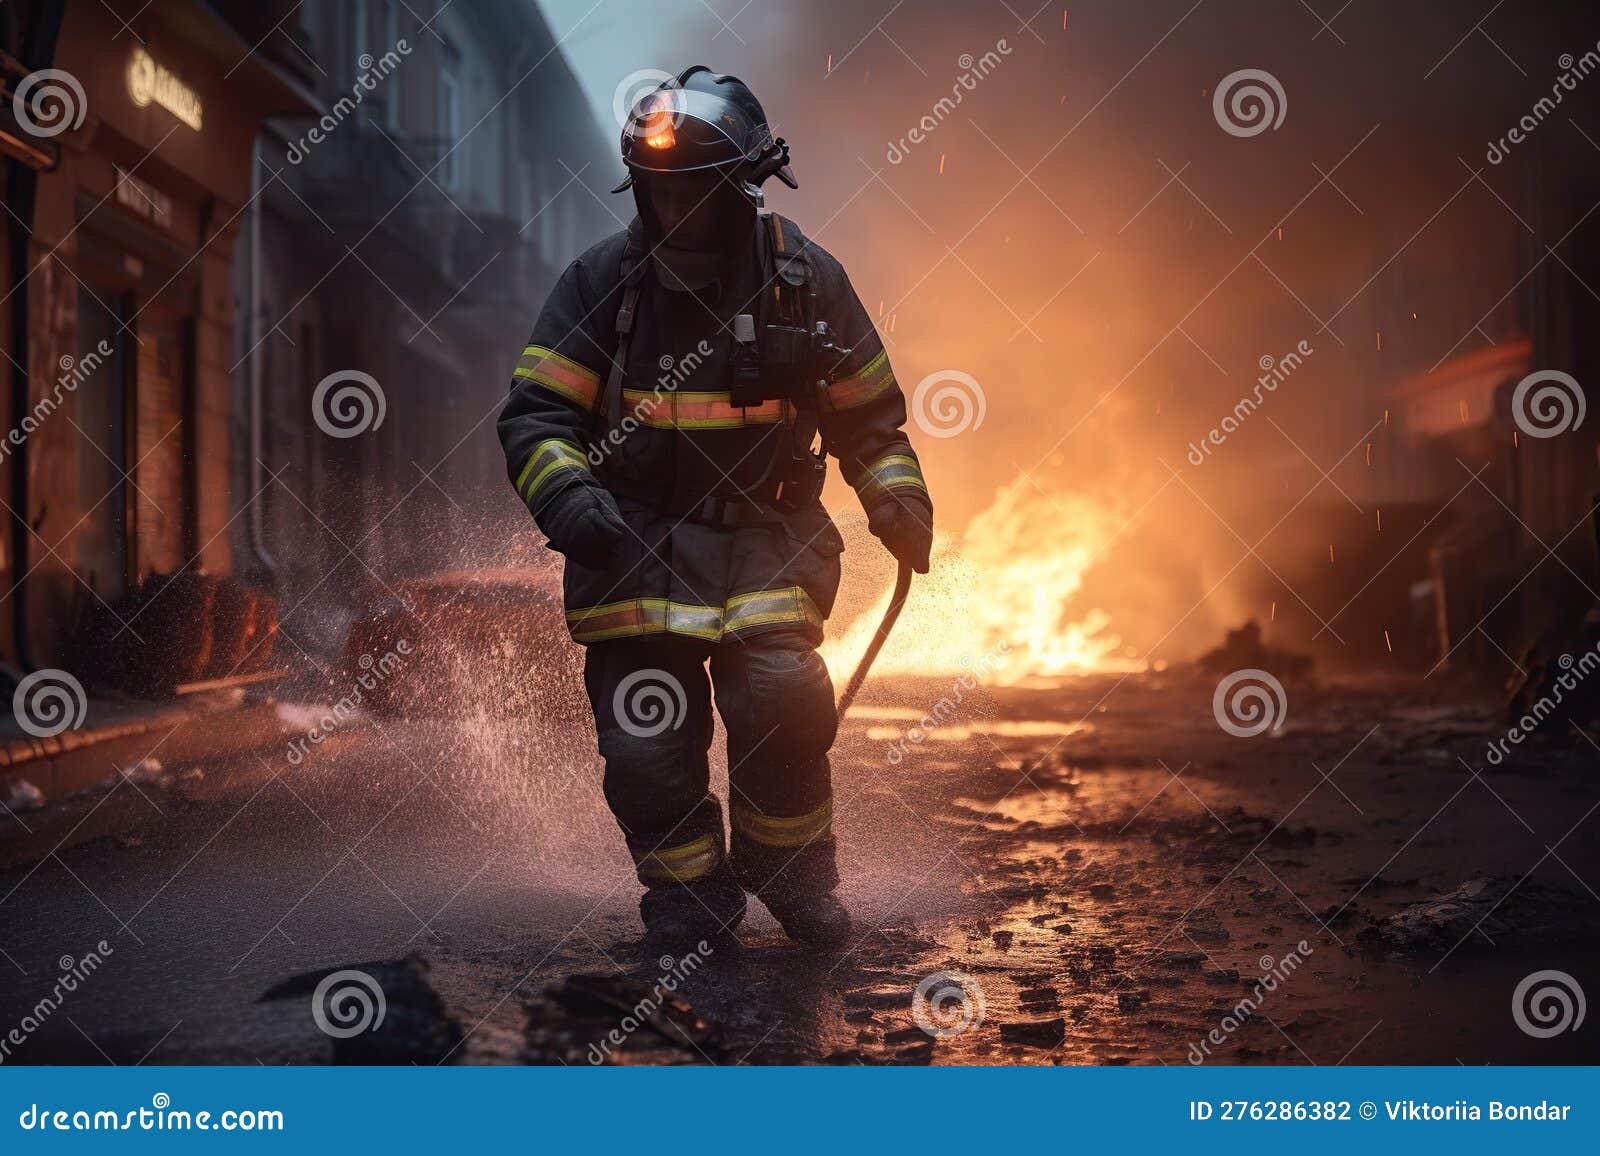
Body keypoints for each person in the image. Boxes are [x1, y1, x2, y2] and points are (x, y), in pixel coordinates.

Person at [497, 66, 933, 948]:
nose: (676, 211)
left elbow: (870, 420)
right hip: (633, 546)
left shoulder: (808, 282)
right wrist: (569, 494)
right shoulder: (602, 283)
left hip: (767, 537)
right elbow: (538, 414)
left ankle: (793, 877)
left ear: (744, 187)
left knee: (782, 702)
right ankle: (689, 899)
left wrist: (896, 500)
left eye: (694, 191)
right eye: (660, 191)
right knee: (646, 739)